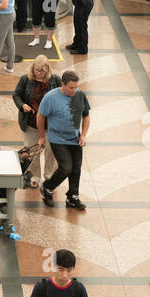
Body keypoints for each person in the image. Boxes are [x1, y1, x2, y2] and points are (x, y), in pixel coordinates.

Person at [37, 71, 90, 211]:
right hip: (57, 139)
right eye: (71, 87)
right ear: (63, 84)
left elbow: (86, 116)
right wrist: (42, 137)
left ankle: (73, 197)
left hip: (75, 138)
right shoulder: (51, 98)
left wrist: (83, 135)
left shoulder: (80, 95)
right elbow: (41, 116)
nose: (74, 90)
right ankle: (47, 187)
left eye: (75, 87)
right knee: (66, 168)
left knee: (76, 170)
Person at [13, 55, 60, 188]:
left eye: (41, 70)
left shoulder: (55, 80)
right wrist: (22, 105)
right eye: (36, 70)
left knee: (51, 150)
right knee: (32, 151)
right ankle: (35, 176)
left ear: (47, 69)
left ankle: (49, 174)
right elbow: (16, 94)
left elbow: (62, 96)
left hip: (50, 124)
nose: (38, 73)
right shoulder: (25, 79)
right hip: (31, 122)